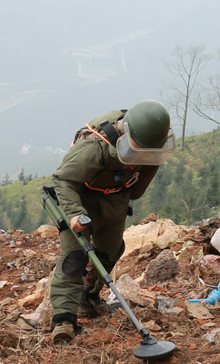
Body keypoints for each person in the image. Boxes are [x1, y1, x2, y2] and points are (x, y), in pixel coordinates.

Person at [44, 100, 176, 342]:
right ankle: (63, 320)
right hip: (80, 197)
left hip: (115, 196)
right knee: (74, 257)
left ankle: (88, 298)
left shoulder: (153, 147)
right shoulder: (95, 146)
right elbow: (62, 179)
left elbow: (136, 190)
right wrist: (73, 213)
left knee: (109, 252)